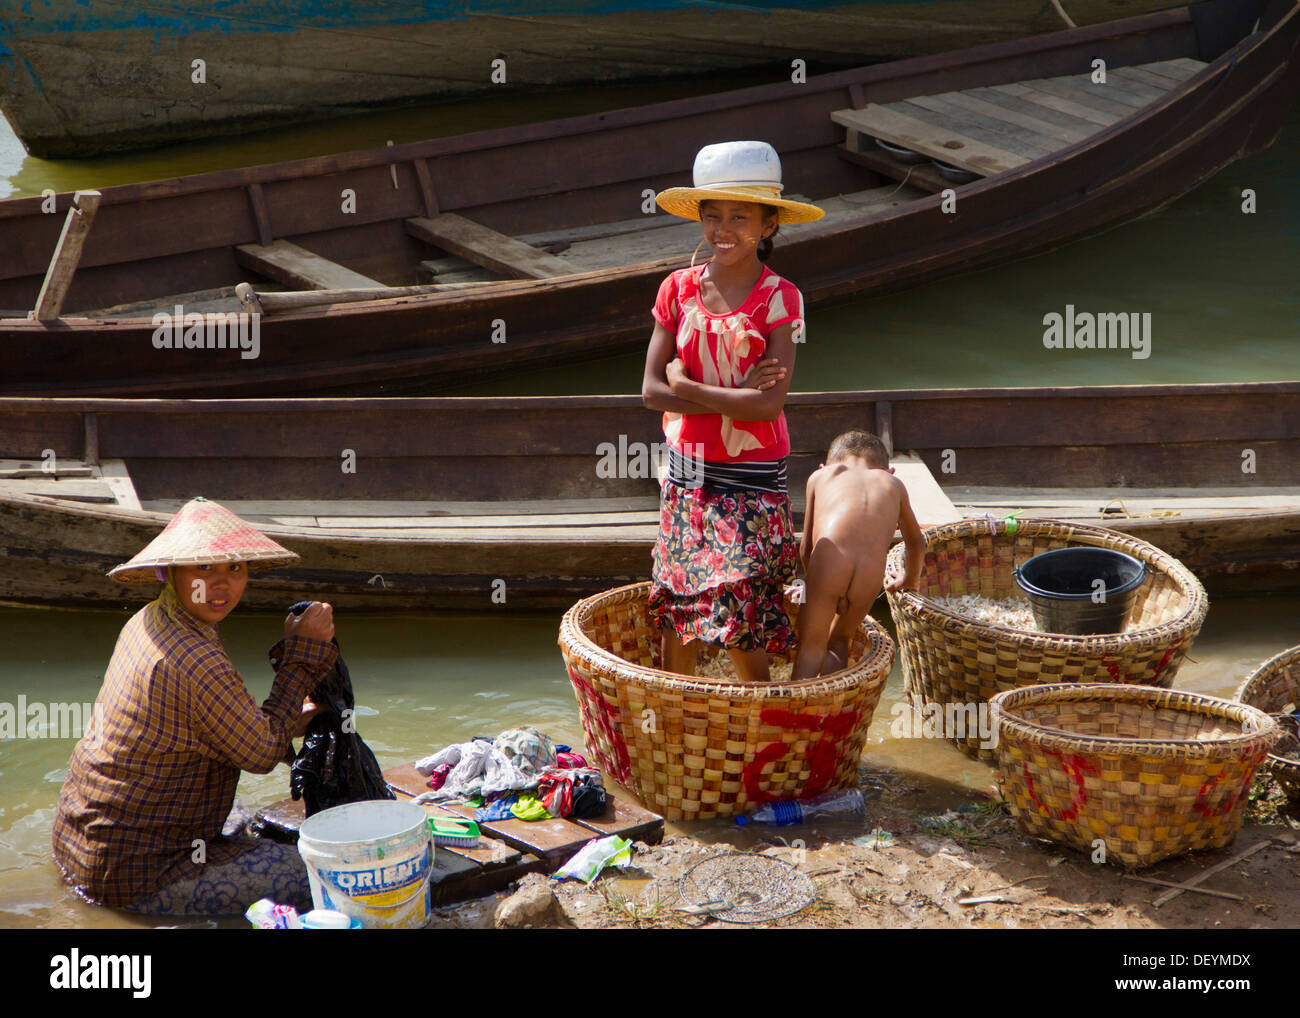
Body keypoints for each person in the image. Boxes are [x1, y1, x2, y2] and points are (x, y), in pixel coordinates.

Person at [52, 497, 337, 915]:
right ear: (171, 572)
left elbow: (211, 725)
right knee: (325, 871)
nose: (221, 585)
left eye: (234, 568)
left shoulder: (152, 618)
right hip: (139, 875)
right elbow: (260, 754)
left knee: (248, 821)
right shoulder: (192, 658)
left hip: (81, 841)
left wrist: (287, 720)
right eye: (203, 567)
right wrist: (301, 655)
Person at [642, 140, 824, 682]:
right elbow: (652, 390)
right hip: (688, 469)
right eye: (713, 215)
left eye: (740, 217)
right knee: (681, 595)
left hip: (751, 473)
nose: (725, 229)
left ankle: (760, 714)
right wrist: (731, 395)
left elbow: (768, 407)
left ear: (768, 225)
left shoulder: (780, 298)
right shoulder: (676, 290)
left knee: (740, 600)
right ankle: (678, 710)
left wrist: (689, 385)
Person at [793, 431, 925, 680]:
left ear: (824, 466)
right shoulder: (894, 484)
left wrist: (816, 584)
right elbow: (917, 543)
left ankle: (795, 715)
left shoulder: (820, 476)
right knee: (840, 641)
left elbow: (806, 547)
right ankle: (833, 712)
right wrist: (910, 580)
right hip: (870, 574)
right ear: (889, 471)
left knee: (810, 648)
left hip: (829, 560)